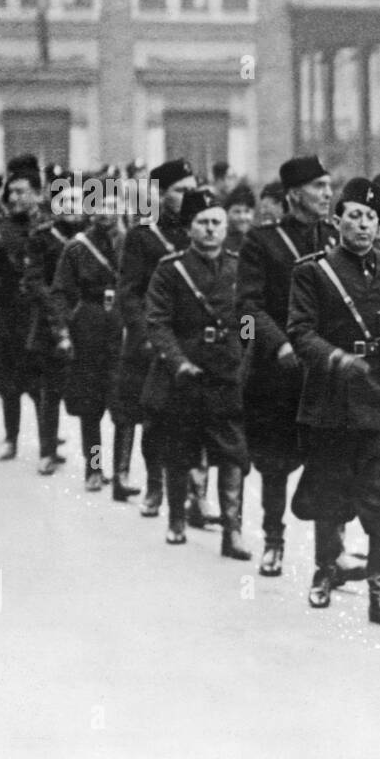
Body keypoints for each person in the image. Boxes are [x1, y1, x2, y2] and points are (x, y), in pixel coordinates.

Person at [287, 176, 380, 626]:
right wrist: (336, 358)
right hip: (335, 403)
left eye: (371, 217)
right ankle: (326, 569)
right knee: (330, 490)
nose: (363, 225)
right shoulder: (313, 271)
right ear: (337, 220)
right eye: (354, 216)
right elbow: (301, 333)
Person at [236, 155, 350, 580]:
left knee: (329, 461)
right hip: (278, 370)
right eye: (319, 187)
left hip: (324, 368)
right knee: (275, 461)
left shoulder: (335, 238)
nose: (327, 195)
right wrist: (278, 346)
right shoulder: (262, 242)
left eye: (328, 186)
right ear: (294, 195)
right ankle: (273, 541)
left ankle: (331, 552)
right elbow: (248, 307)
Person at [142, 189, 251, 560]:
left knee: (233, 453)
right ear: (189, 228)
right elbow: (157, 323)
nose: (210, 230)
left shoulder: (240, 267)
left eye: (216, 222)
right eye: (202, 223)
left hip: (227, 371)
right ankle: (176, 519)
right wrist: (177, 362)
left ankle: (233, 531)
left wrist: (246, 351)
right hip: (185, 373)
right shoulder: (170, 269)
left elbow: (250, 316)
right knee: (180, 448)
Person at [114, 159, 216, 527]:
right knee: (155, 420)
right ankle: (154, 486)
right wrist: (148, 337)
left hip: (195, 343)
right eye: (180, 191)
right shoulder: (142, 238)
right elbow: (129, 295)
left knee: (201, 420)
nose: (190, 196)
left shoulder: (203, 234)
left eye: (194, 189)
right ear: (158, 195)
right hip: (153, 345)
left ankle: (197, 495)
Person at [49, 184, 126, 493]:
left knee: (124, 404)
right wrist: (63, 332)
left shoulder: (133, 243)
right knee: (91, 407)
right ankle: (94, 467)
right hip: (89, 328)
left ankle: (122, 473)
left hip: (123, 326)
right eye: (99, 205)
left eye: (112, 204)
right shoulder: (77, 247)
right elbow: (60, 294)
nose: (106, 212)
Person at [0, 156, 52, 465]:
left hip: (41, 314)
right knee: (10, 381)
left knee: (43, 386)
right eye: (12, 192)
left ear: (38, 193)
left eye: (22, 191)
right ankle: (11, 440)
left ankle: (48, 448)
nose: (14, 198)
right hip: (9, 312)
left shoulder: (50, 226)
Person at [22, 175, 82, 476]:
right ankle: (47, 451)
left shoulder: (90, 236)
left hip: (86, 322)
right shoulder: (41, 238)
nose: (71, 207)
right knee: (51, 392)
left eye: (76, 200)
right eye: (65, 201)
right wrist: (57, 309)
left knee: (92, 398)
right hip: (51, 324)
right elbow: (33, 281)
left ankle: (94, 464)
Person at [224, 183, 255, 252]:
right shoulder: (219, 241)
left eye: (247, 211)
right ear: (226, 213)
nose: (242, 217)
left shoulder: (258, 240)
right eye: (237, 212)